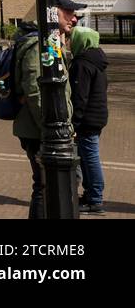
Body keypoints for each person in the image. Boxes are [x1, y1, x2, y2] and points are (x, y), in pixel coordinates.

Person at [13, 0, 82, 218]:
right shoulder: (38, 45)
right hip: (41, 131)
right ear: (52, 13)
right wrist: (54, 131)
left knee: (53, 184)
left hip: (49, 129)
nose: (74, 18)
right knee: (45, 187)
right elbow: (35, 92)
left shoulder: (51, 41)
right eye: (69, 12)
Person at [69, 25, 109, 214]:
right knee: (87, 156)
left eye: (72, 39)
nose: (69, 43)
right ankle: (91, 194)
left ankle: (95, 199)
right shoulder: (97, 61)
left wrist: (74, 123)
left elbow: (79, 97)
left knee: (90, 157)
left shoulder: (82, 63)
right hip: (97, 115)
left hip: (88, 118)